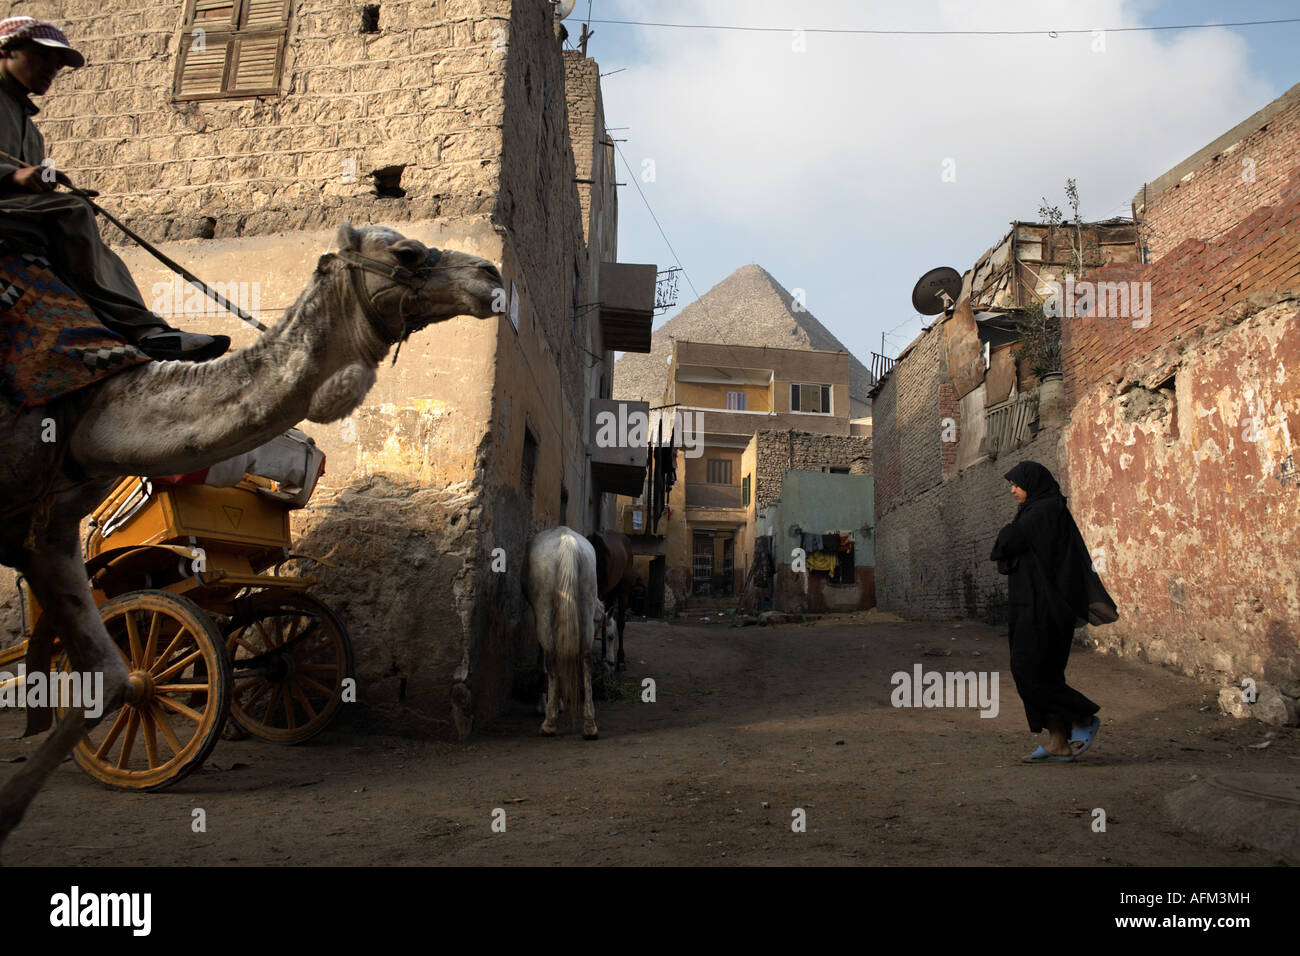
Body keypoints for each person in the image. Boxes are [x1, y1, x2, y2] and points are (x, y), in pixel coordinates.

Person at [0, 16, 228, 361]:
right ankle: (139, 328)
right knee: (72, 216)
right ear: (7, 50)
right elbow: (14, 178)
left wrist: (51, 190)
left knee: (97, 245)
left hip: (15, 216)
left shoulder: (32, 132)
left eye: (58, 64)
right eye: (44, 57)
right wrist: (12, 178)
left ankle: (145, 328)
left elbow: (28, 183)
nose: (52, 69)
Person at [990, 460, 1117, 763]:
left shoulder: (1044, 511)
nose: (1012, 491)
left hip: (1045, 608)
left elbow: (1005, 544)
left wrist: (1009, 534)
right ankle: (1058, 740)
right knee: (1040, 672)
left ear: (1031, 484)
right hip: (1032, 606)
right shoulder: (1037, 511)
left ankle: (1083, 716)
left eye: (1016, 485)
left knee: (1031, 671)